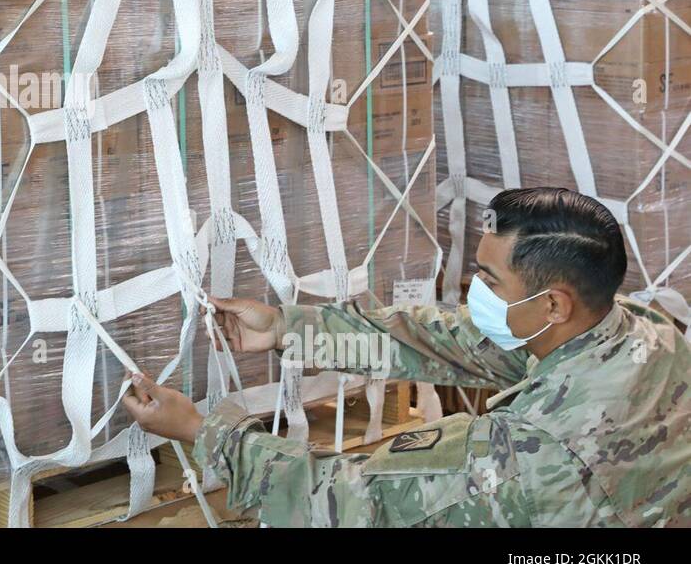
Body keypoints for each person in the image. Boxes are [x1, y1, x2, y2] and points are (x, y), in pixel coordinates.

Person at [123, 187, 691, 526]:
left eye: (488, 280)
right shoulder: (647, 332)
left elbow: (351, 500)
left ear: (554, 304)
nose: (473, 290)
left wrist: (201, 430)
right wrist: (287, 331)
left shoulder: (533, 454)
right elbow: (444, 340)